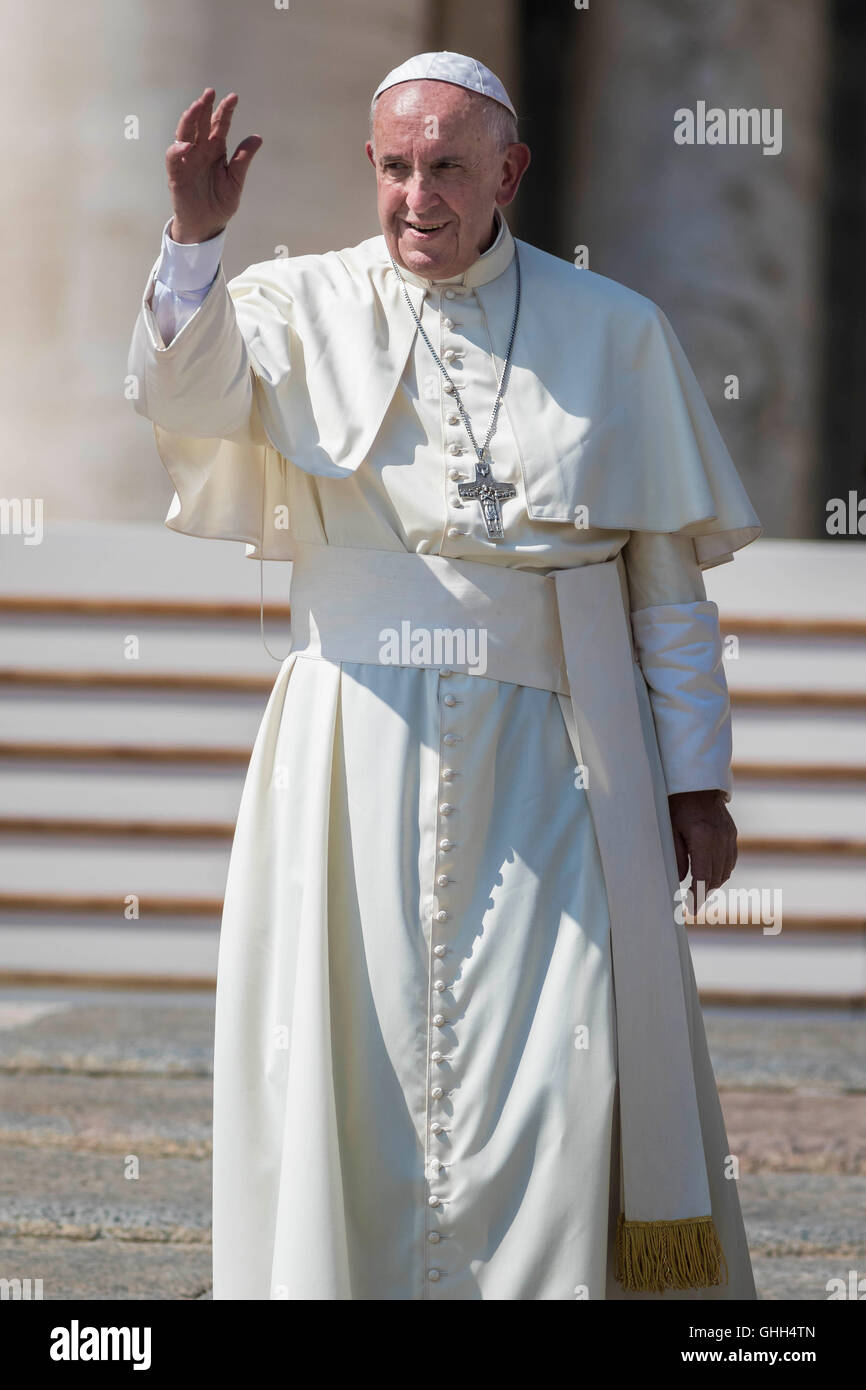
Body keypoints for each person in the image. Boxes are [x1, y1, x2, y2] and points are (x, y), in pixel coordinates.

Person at [128, 51, 762, 1301]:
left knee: (560, 1061)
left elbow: (665, 588)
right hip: (350, 746)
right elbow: (183, 396)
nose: (417, 197)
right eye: (396, 168)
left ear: (508, 174)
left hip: (560, 758)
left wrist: (694, 780)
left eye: (448, 169)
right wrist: (193, 242)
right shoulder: (291, 300)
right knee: (352, 1061)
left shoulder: (615, 330)